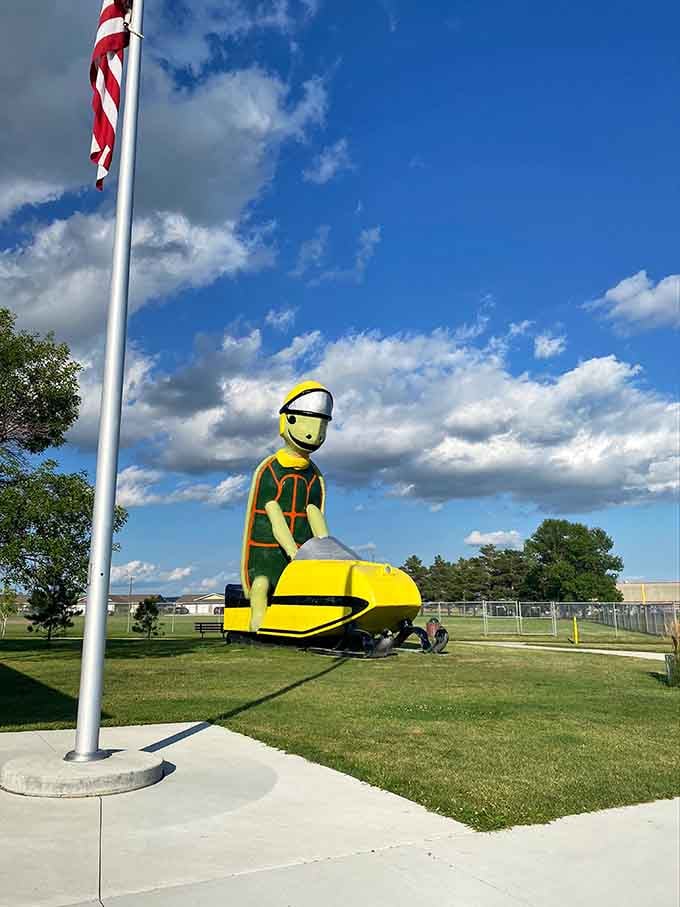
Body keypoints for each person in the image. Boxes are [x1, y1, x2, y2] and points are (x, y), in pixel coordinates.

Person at [240, 381, 333, 630]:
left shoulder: (313, 476)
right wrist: (292, 550)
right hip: (267, 551)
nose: (316, 433)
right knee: (261, 585)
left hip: (303, 551)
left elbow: (312, 510)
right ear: (286, 422)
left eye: (322, 424)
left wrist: (326, 547)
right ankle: (258, 624)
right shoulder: (271, 470)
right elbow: (273, 511)